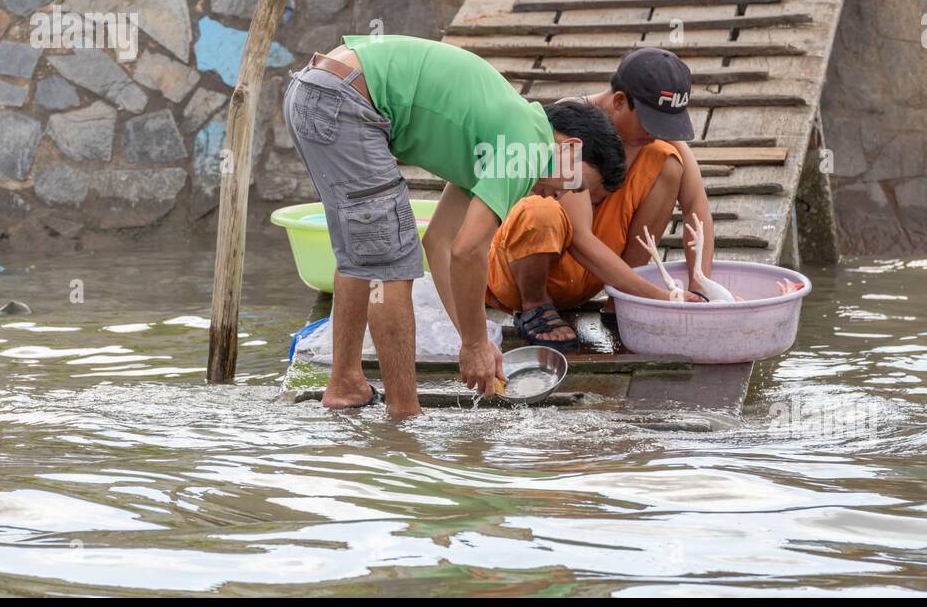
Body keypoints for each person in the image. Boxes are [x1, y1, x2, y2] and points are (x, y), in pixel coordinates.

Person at [282, 34, 628, 420]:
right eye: (575, 185)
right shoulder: (529, 145)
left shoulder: (498, 134)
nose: (558, 197)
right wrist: (477, 343)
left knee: (367, 254)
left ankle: (346, 383)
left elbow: (441, 243)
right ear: (570, 148)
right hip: (343, 99)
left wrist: (471, 338)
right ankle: (405, 417)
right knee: (391, 265)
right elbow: (469, 251)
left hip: (317, 90)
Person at [485, 48, 715, 348]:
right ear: (619, 101)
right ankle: (535, 305)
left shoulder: (656, 141)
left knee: (669, 162)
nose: (658, 132)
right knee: (541, 210)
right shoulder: (570, 125)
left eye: (666, 124)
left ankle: (621, 300)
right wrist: (662, 297)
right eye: (651, 122)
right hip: (525, 271)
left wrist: (701, 287)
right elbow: (579, 239)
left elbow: (697, 209)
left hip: (593, 278)